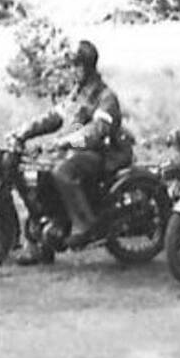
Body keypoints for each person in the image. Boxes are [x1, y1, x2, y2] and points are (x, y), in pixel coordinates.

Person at [15, 40, 127, 263]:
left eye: (76, 66)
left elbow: (97, 130)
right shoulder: (77, 93)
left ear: (87, 67)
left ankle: (83, 223)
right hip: (76, 150)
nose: (72, 72)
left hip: (102, 154)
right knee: (38, 173)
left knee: (62, 172)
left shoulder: (105, 97)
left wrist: (69, 141)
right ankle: (43, 239)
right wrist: (24, 132)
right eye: (71, 67)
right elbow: (54, 117)